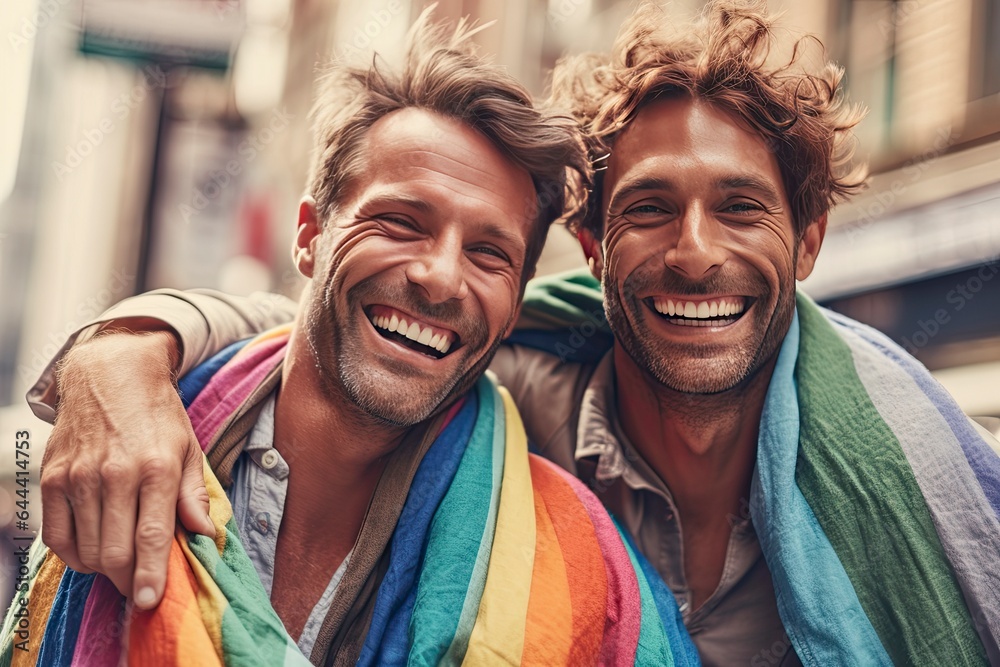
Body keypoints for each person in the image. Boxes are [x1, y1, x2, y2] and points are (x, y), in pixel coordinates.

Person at [16, 1, 1000, 665]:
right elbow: (336, 337)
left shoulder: (910, 460)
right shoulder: (522, 385)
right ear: (589, 246)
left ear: (809, 242)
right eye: (650, 207)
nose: (695, 254)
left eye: (741, 207)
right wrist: (127, 350)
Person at [0, 11, 702, 667]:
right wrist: (114, 354)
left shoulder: (591, 575)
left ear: (514, 304)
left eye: (489, 253)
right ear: (309, 235)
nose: (438, 278)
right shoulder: (124, 446)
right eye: (401, 222)